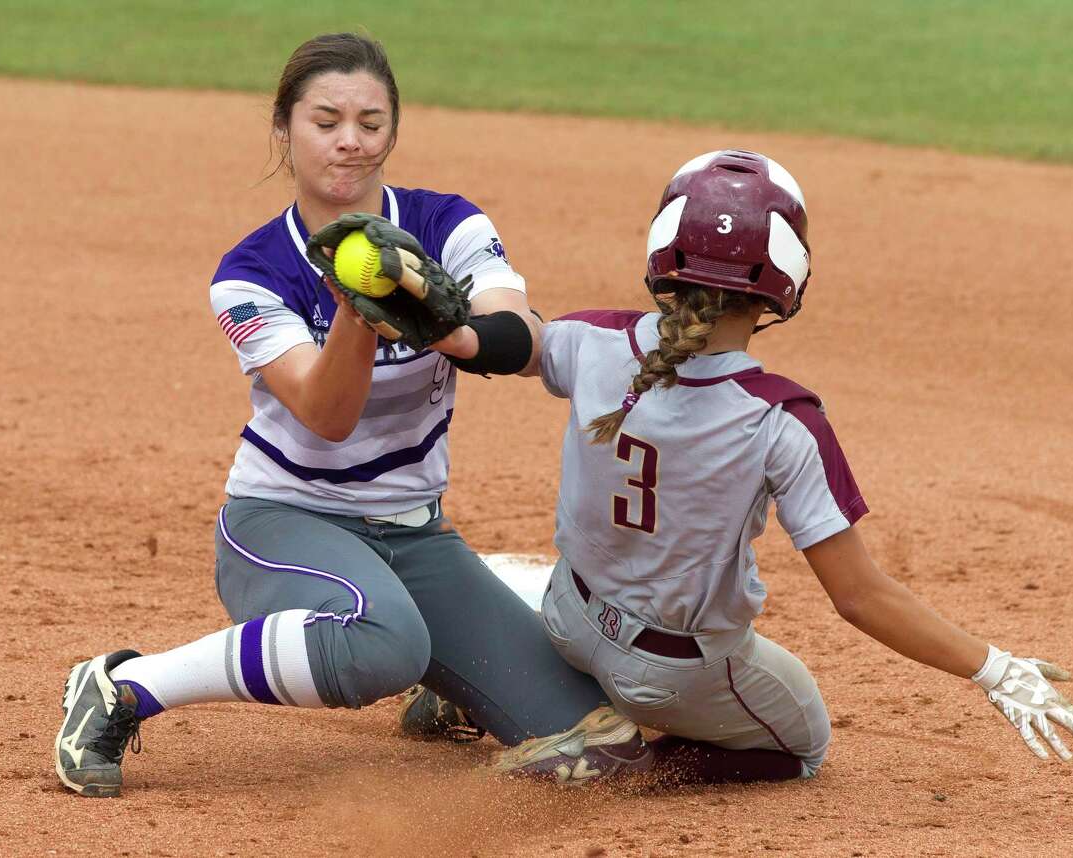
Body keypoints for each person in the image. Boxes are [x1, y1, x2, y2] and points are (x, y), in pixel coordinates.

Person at [53, 32, 651, 798]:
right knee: (380, 643)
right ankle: (124, 686)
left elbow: (522, 335)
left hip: (414, 534)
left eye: (371, 123)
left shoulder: (446, 224)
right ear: (284, 130)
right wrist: (357, 314)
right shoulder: (252, 274)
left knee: (596, 740)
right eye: (326, 120)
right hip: (283, 524)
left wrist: (450, 328)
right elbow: (325, 416)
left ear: (394, 132)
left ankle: (448, 681)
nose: (350, 141)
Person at [480, 149, 1073, 783]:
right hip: (666, 677)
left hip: (568, 618)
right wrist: (993, 667)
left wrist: (436, 306)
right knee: (803, 740)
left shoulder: (592, 338)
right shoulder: (781, 418)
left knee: (556, 612)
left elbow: (505, 343)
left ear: (664, 250)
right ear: (786, 274)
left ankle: (501, 693)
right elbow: (858, 596)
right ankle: (626, 762)